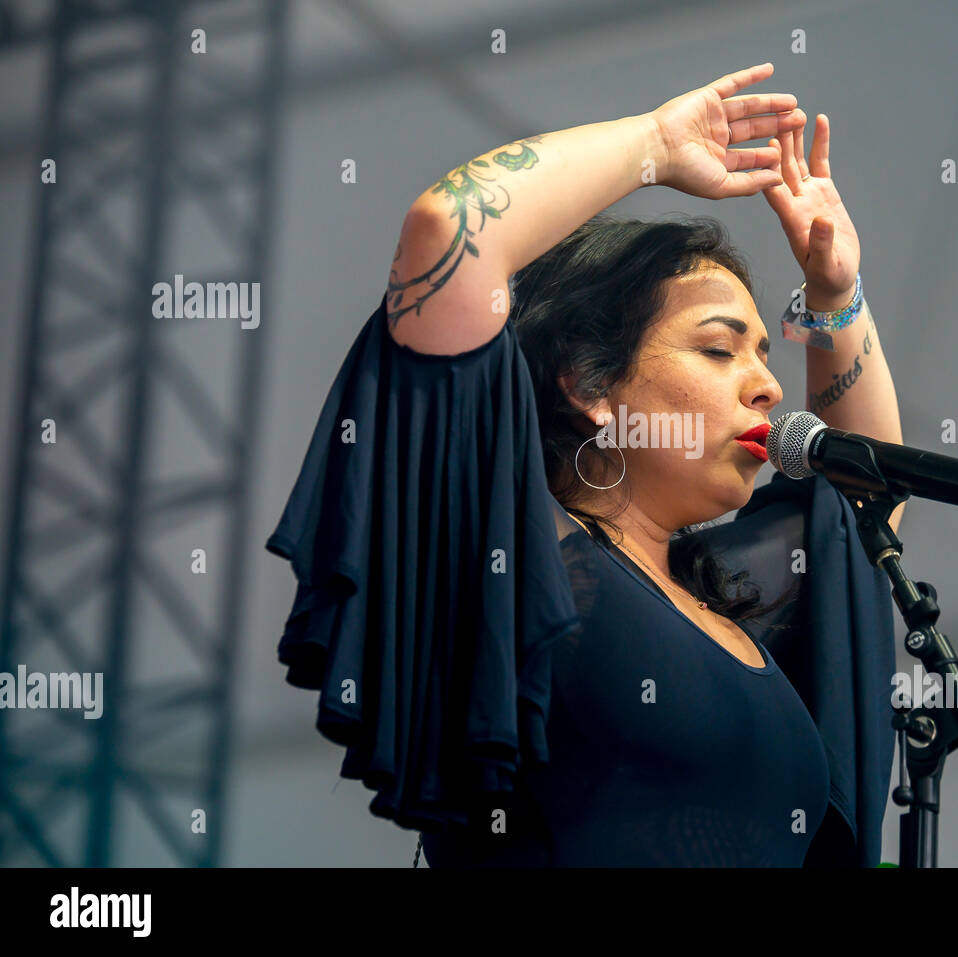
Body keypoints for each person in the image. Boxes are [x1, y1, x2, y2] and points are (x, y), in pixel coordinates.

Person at [265, 63, 904, 867]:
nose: (770, 384)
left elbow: (862, 514)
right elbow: (446, 235)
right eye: (717, 347)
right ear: (591, 386)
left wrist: (834, 292)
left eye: (766, 353)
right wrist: (657, 145)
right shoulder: (530, 567)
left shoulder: (731, 598)